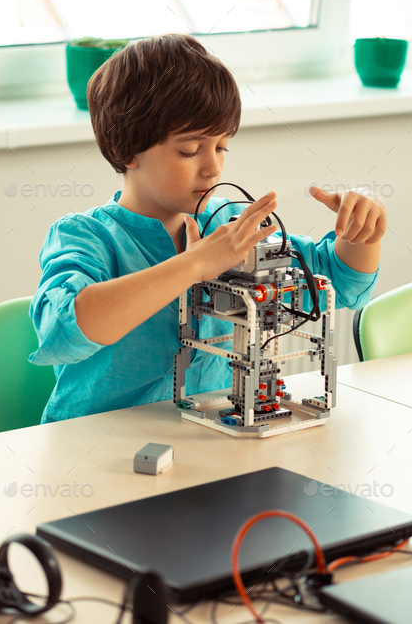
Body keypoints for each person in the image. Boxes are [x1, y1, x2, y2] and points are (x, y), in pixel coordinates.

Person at [28, 33, 385, 424]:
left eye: (221, 147)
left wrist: (361, 233)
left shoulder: (226, 225)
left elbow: (336, 280)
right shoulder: (86, 236)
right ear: (126, 147)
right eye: (189, 150)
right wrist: (194, 265)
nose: (213, 168)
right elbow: (61, 331)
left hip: (206, 442)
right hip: (92, 451)